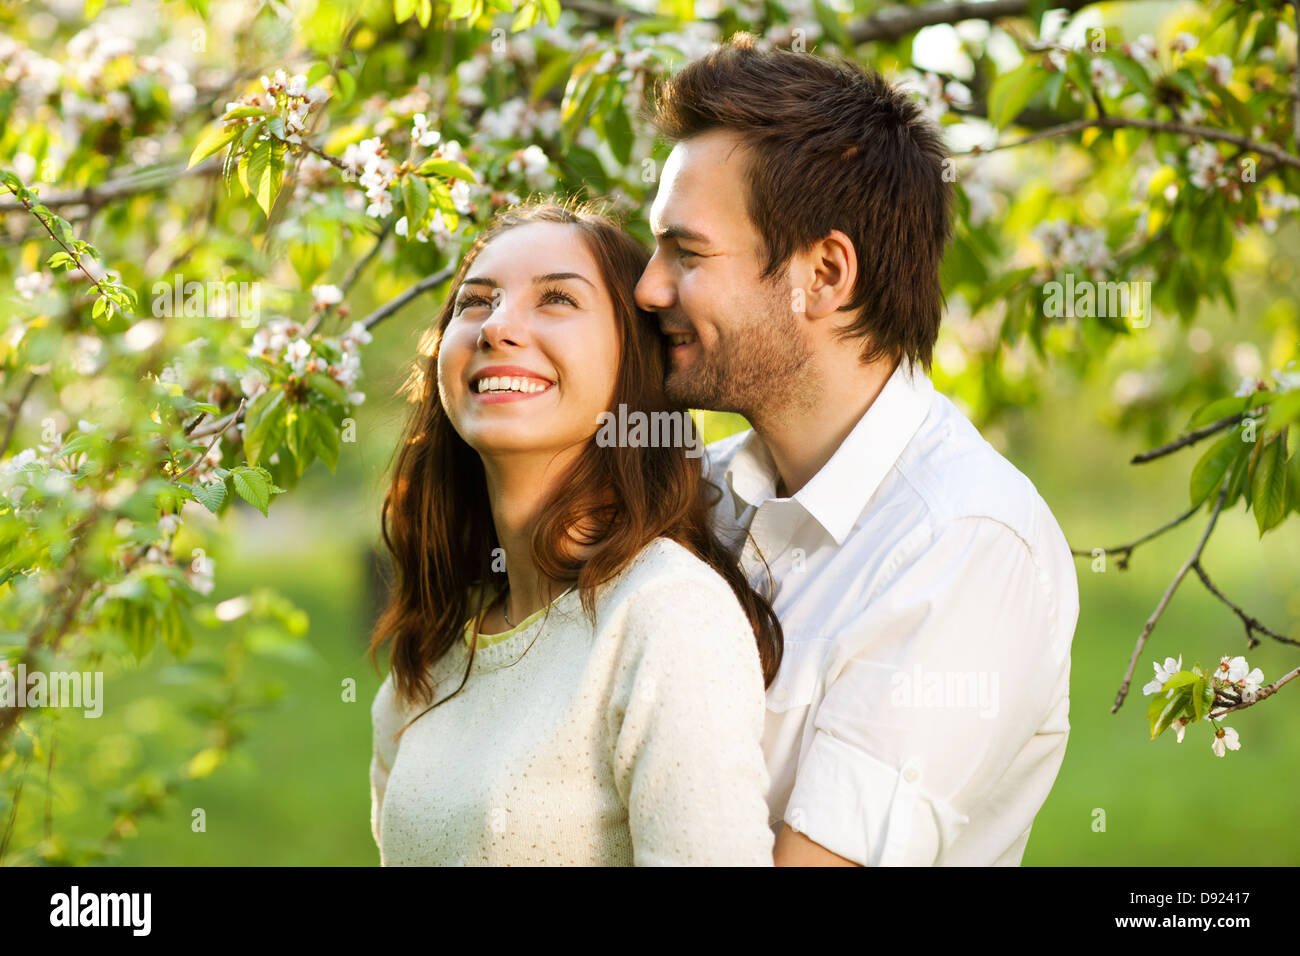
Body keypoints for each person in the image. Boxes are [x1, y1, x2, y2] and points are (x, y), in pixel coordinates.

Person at [635, 34, 1080, 866]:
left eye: (686, 252)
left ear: (825, 274)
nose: (649, 288)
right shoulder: (697, 498)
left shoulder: (967, 543)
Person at [367, 200, 783, 866]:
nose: (498, 327)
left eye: (557, 298)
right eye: (475, 302)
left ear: (636, 362)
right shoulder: (431, 663)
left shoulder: (665, 615)